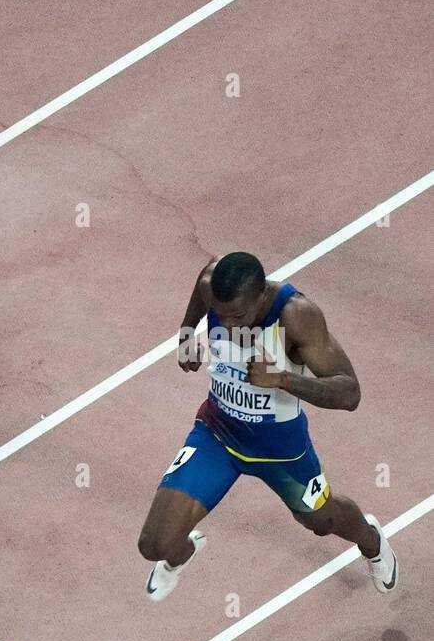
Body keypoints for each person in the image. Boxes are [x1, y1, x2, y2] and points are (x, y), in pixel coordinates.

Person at [137, 251, 398, 600]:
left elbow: (350, 393)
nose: (228, 326)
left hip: (281, 452)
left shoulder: (297, 316)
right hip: (218, 434)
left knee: (322, 521)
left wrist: (282, 380)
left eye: (238, 317)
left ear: (260, 296)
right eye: (222, 315)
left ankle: (371, 541)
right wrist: (186, 333)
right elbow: (203, 287)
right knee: (154, 544)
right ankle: (182, 553)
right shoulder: (211, 286)